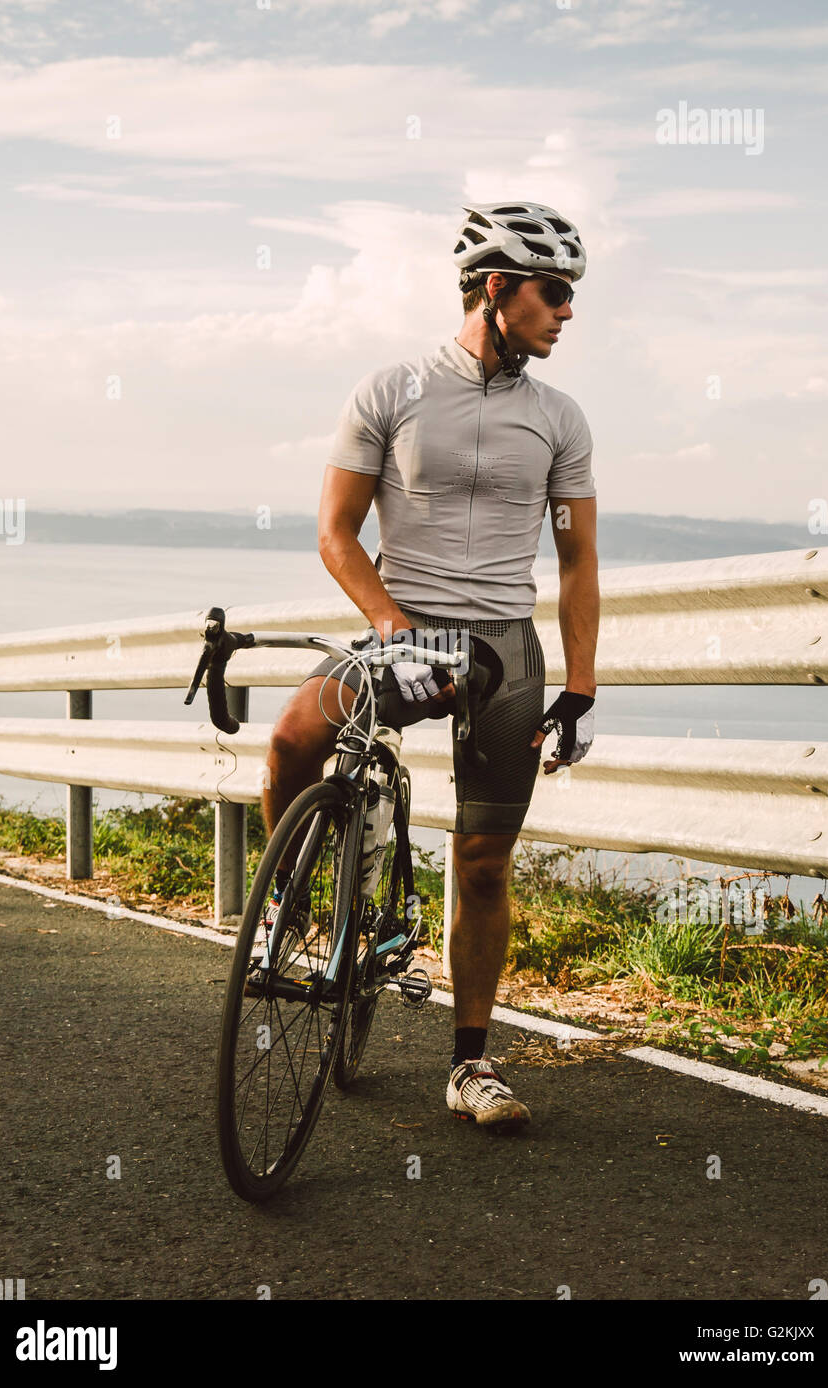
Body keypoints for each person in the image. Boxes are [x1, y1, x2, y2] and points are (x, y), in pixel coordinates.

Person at [262, 201, 600, 1129]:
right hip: (403, 629)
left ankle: (470, 1065)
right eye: (555, 292)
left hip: (503, 650)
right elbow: (336, 535)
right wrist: (392, 628)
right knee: (292, 739)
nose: (567, 312)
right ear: (498, 290)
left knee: (484, 861)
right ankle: (289, 911)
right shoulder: (391, 390)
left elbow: (576, 565)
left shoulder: (560, 418)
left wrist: (580, 687)